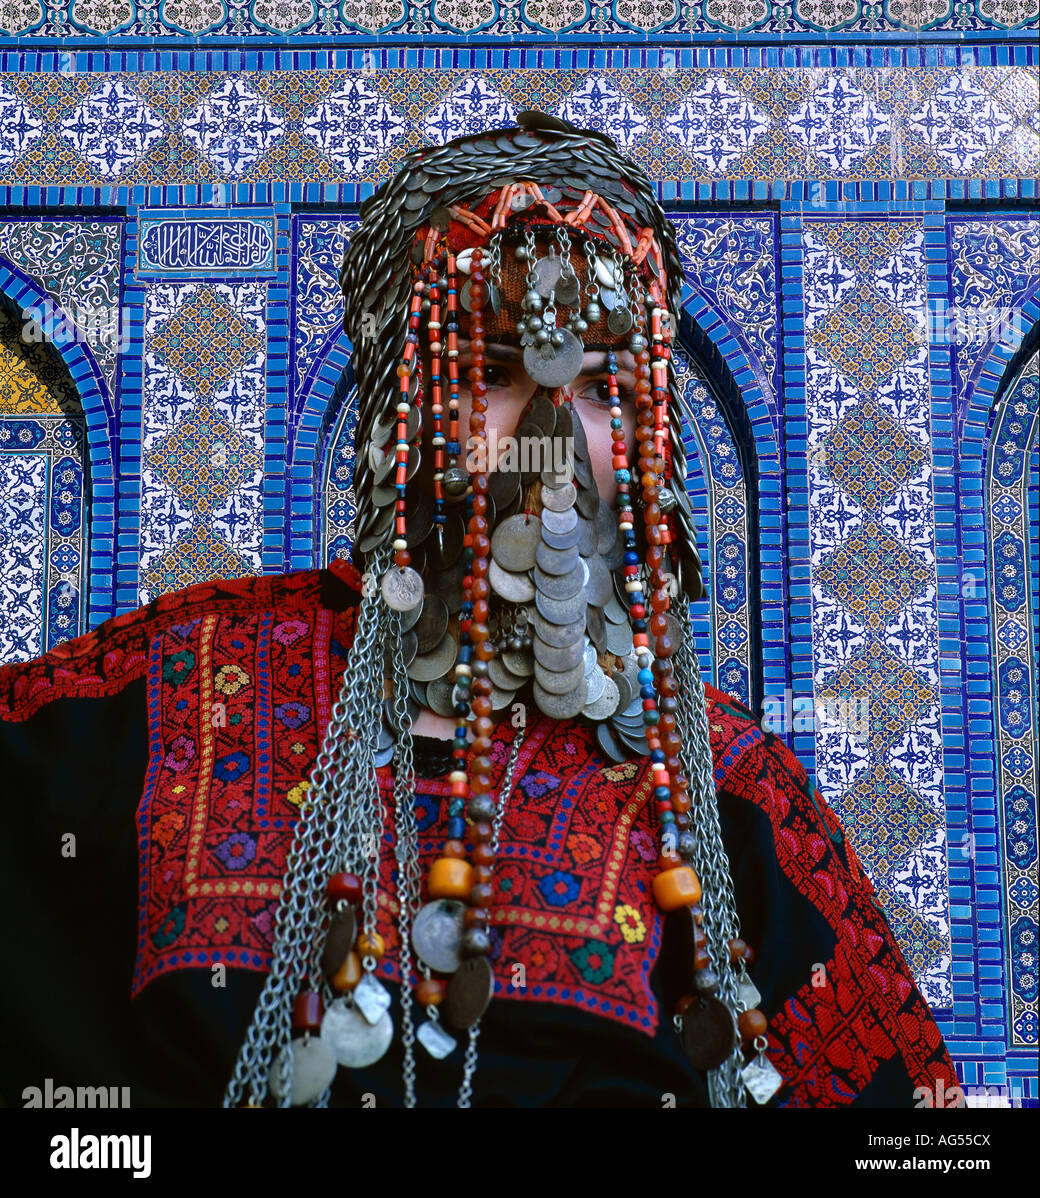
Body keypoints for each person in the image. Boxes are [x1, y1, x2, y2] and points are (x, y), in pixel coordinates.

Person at [0, 114, 958, 1109]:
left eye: (596, 386)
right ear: (392, 406)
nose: (547, 431)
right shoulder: (179, 683)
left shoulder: (723, 794)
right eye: (494, 372)